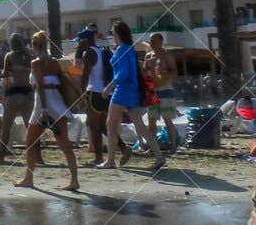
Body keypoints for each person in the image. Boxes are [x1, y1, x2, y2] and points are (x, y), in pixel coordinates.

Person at [13, 31, 79, 191]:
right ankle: (74, 180)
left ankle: (29, 178)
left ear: (35, 46)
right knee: (64, 143)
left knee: (30, 142)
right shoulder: (54, 62)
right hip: (57, 102)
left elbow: (40, 87)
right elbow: (61, 82)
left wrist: (43, 109)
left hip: (43, 103)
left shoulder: (36, 63)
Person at [102, 22, 165, 172]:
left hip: (121, 91)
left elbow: (122, 74)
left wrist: (108, 87)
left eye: (113, 33)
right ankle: (159, 157)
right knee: (140, 126)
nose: (112, 35)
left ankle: (110, 160)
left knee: (111, 125)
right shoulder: (129, 49)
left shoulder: (121, 50)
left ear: (117, 34)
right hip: (133, 91)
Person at [76, 28, 112, 166]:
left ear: (86, 40)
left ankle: (98, 158)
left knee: (93, 126)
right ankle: (122, 147)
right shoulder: (101, 51)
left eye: (80, 41)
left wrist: (82, 93)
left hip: (93, 92)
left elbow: (85, 75)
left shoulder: (88, 53)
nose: (79, 44)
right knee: (103, 126)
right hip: (104, 91)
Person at [0, 34, 32, 164]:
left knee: (6, 127)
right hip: (28, 94)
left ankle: (1, 156)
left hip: (13, 94)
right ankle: (36, 156)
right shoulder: (30, 56)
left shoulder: (9, 56)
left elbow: (5, 75)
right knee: (31, 128)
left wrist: (0, 92)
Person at [143, 32, 179, 153]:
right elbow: (144, 72)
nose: (152, 43)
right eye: (150, 41)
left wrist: (164, 73)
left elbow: (174, 72)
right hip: (153, 91)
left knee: (167, 119)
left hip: (165, 90)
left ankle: (173, 145)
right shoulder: (148, 56)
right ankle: (153, 146)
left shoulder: (167, 56)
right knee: (151, 120)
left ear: (161, 41)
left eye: (154, 41)